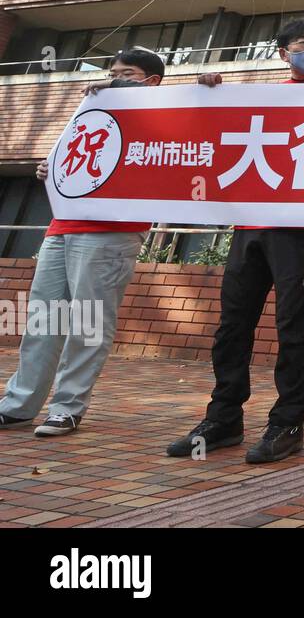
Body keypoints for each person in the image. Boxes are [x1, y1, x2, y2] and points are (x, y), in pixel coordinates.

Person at [166, 19, 304, 464]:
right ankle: (223, 417)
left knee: (293, 327)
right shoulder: (261, 96)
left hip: (301, 230)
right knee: (232, 327)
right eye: (303, 44)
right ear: (283, 53)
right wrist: (209, 88)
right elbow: (208, 125)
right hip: (248, 227)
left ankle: (288, 423)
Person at [0, 49, 165, 437]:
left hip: (112, 231)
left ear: (152, 82)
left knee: (88, 322)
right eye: (112, 72)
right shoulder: (95, 114)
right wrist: (51, 167)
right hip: (61, 228)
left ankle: (67, 407)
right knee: (44, 319)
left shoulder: (160, 120)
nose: (114, 79)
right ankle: (19, 404)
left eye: (128, 74)